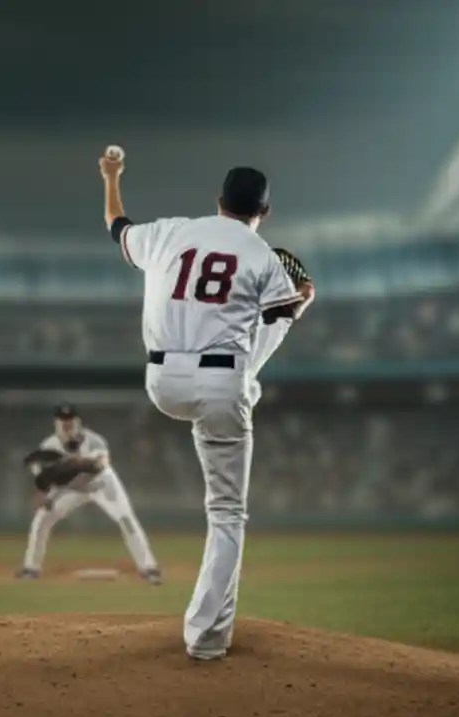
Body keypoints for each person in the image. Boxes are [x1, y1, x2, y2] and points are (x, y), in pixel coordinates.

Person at [100, 150, 314, 659]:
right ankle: (207, 640)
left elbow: (117, 226)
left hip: (162, 380)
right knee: (226, 514)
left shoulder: (173, 231)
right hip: (222, 385)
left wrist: (111, 177)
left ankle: (246, 382)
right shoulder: (261, 254)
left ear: (217, 202)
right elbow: (283, 311)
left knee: (264, 325)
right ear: (264, 212)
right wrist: (306, 295)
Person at [16, 404, 161, 583]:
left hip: (101, 484)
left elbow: (100, 465)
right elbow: (45, 475)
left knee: (126, 519)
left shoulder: (95, 441)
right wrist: (47, 494)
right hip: (70, 489)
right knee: (42, 518)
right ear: (56, 423)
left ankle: (149, 567)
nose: (67, 424)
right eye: (63, 421)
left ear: (78, 422)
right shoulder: (49, 446)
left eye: (70, 420)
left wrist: (75, 462)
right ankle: (31, 568)